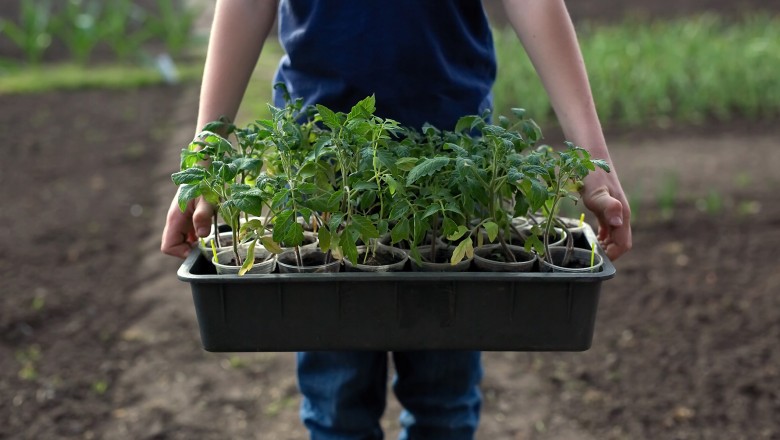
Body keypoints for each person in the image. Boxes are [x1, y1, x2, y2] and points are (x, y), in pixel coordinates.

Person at [162, 1, 632, 438]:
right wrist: (206, 155)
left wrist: (590, 155)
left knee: (443, 401)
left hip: (455, 164)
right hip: (324, 169)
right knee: (337, 403)